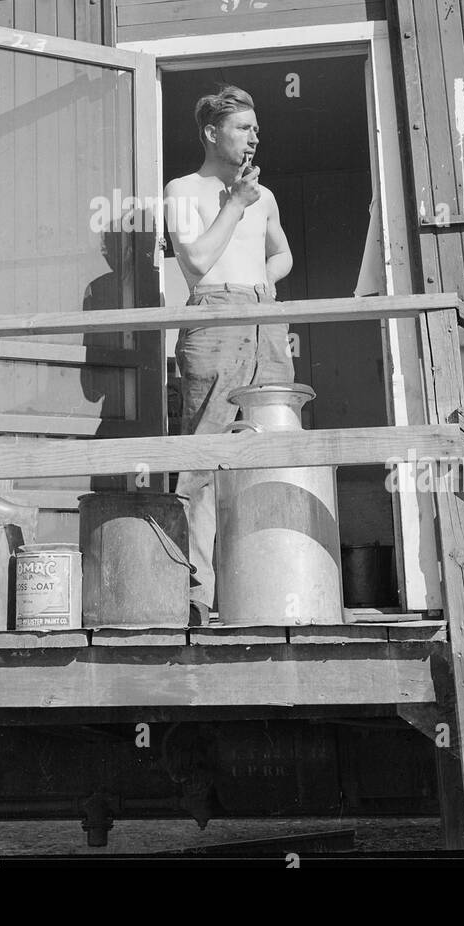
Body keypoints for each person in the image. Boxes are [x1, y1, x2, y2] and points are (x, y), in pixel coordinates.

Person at [164, 85, 294, 625]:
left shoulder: (264, 197)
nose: (253, 137)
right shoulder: (183, 189)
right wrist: (234, 204)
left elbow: (281, 253)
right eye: (243, 127)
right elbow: (194, 262)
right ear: (211, 133)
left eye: (256, 128)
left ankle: (275, 583)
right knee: (205, 461)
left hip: (263, 320)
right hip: (213, 319)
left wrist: (264, 280)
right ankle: (198, 597)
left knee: (276, 450)